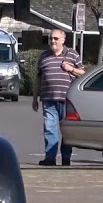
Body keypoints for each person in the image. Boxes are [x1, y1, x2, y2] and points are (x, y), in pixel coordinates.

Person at [32, 30, 85, 166]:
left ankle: (66, 158)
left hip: (68, 100)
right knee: (50, 129)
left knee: (66, 130)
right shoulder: (44, 56)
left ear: (63, 40)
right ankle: (50, 158)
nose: (53, 41)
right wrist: (34, 98)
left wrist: (71, 69)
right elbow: (38, 77)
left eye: (56, 38)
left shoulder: (72, 54)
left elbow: (83, 73)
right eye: (51, 38)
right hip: (48, 99)